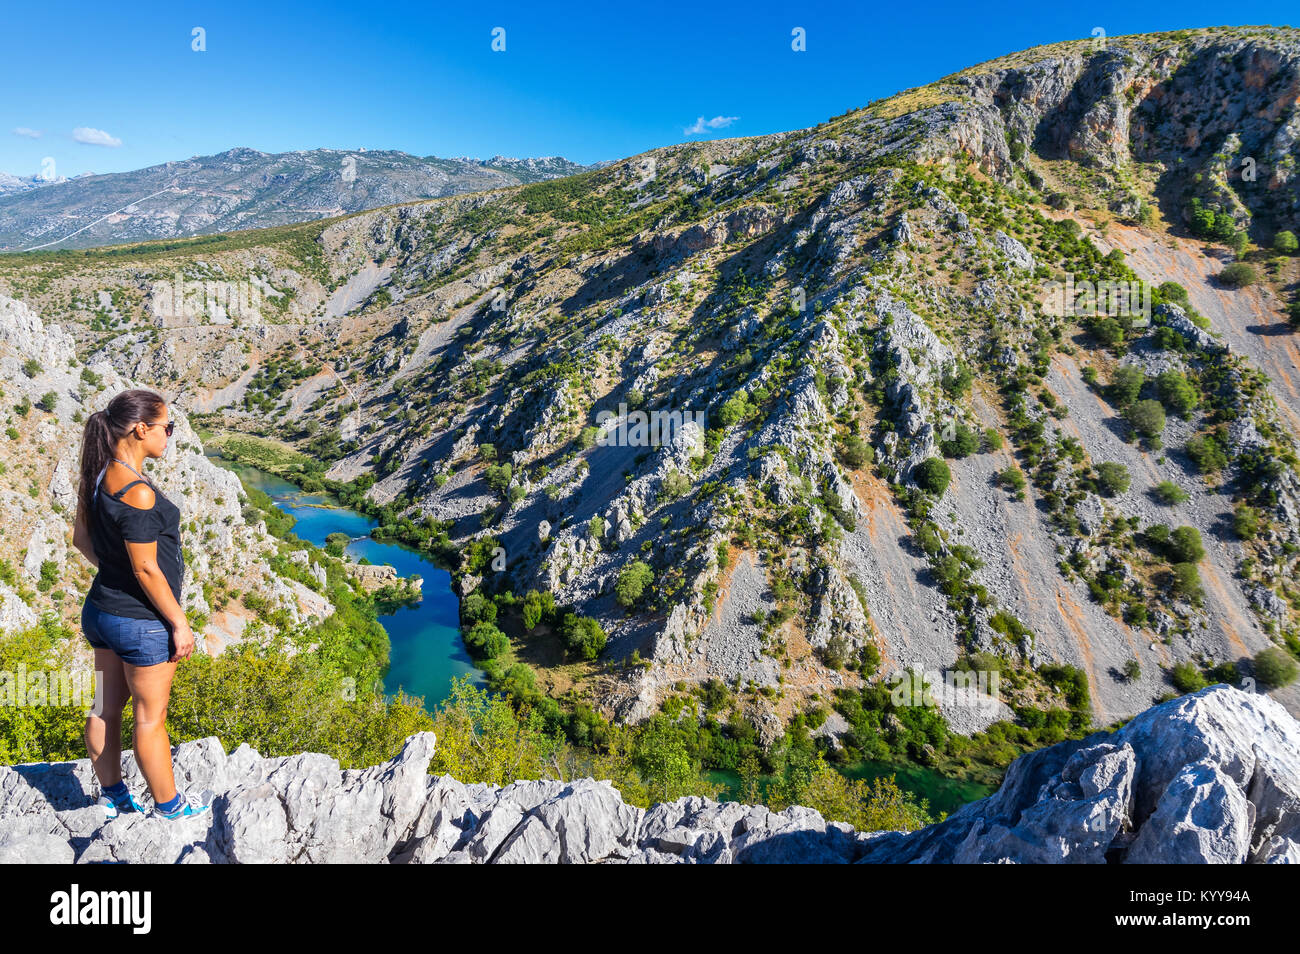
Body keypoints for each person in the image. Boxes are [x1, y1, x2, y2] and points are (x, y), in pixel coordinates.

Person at [72, 388, 210, 820]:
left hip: (100, 612)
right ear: (141, 428)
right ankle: (170, 808)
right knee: (150, 720)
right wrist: (179, 623)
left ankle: (114, 796)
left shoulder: (97, 473)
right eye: (167, 427)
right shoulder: (139, 493)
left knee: (103, 707)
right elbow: (148, 569)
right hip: (142, 624)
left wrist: (115, 572)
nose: (170, 435)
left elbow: (81, 540)